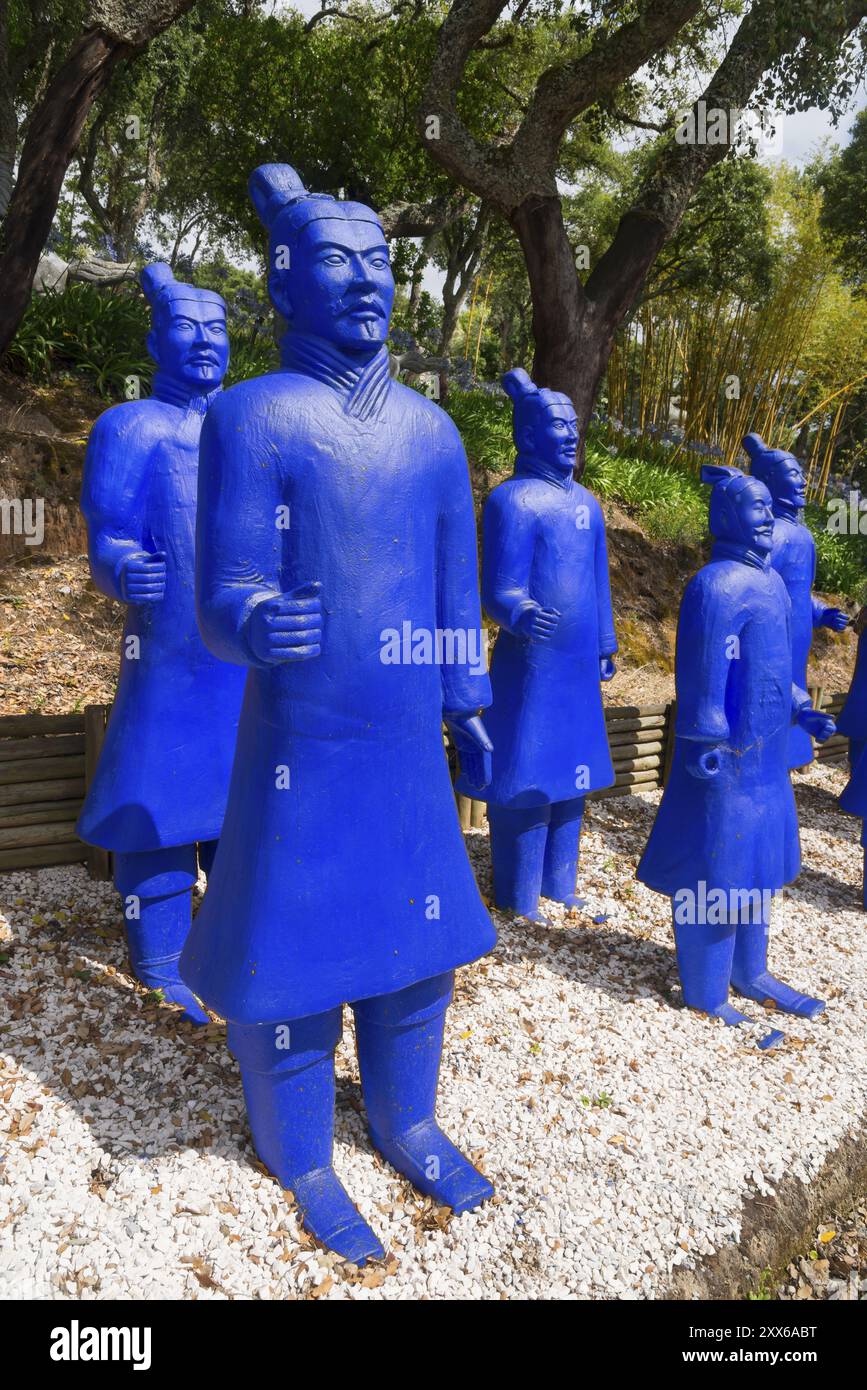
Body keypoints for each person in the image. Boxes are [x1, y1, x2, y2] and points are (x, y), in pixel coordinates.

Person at [180, 164, 496, 1264]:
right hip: (298, 749)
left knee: (420, 940)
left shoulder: (433, 434)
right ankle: (301, 1150)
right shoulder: (255, 416)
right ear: (284, 283)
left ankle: (407, 1116)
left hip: (407, 742)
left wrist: (472, 699)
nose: (368, 283)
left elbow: (458, 592)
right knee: (293, 942)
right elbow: (218, 594)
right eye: (338, 262)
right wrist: (255, 619)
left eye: (383, 265)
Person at [77, 264, 245, 1023]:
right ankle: (157, 958)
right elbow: (105, 535)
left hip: (244, 660)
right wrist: (119, 567)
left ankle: (231, 940)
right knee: (158, 794)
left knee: (245, 805)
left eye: (217, 329)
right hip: (166, 659)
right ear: (154, 339)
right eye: (187, 327)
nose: (204, 342)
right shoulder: (131, 427)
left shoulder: (248, 427)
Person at [637, 465, 835, 1048]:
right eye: (755, 508)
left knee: (759, 867)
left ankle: (751, 971)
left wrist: (802, 708)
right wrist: (702, 740)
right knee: (715, 867)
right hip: (723, 757)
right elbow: (702, 672)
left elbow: (776, 667)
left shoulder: (771, 583)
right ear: (725, 518)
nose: (768, 519)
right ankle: (706, 990)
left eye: (770, 509)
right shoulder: (716, 585)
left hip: (766, 760)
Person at [457, 368, 616, 921]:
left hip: (574, 665)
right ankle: (519, 892)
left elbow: (598, 581)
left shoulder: (588, 506)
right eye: (556, 425)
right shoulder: (513, 501)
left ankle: (560, 881)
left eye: (573, 424)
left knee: (574, 772)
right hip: (531, 663)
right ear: (527, 437)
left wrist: (605, 640)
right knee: (527, 769)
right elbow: (496, 586)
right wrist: (518, 610)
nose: (570, 434)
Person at [742, 433, 848, 768]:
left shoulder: (802, 535)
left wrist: (821, 613)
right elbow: (762, 588)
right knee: (767, 693)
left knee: (790, 692)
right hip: (772, 636)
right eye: (794, 475)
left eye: (802, 474)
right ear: (770, 480)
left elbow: (797, 593)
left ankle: (781, 762)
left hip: (796, 642)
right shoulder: (770, 535)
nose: (803, 481)